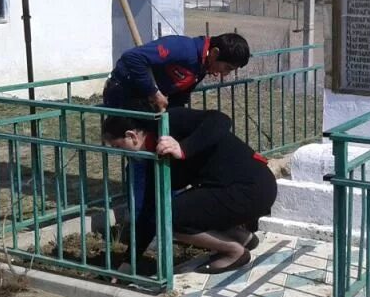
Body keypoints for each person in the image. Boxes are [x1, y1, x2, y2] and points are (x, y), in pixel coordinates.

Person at [102, 108, 277, 274]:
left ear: (131, 136)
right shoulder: (153, 158)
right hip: (232, 189)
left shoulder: (168, 122)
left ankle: (234, 251)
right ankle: (242, 237)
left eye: (118, 147)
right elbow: (149, 210)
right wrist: (129, 261)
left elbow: (220, 120)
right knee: (169, 212)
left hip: (252, 188)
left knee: (170, 216)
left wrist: (184, 148)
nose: (120, 154)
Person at [103, 33, 251, 112]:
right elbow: (132, 57)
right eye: (227, 68)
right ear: (214, 52)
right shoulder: (182, 49)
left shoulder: (202, 67)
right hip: (123, 94)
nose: (224, 74)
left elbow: (180, 97)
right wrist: (154, 92)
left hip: (148, 104)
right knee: (141, 156)